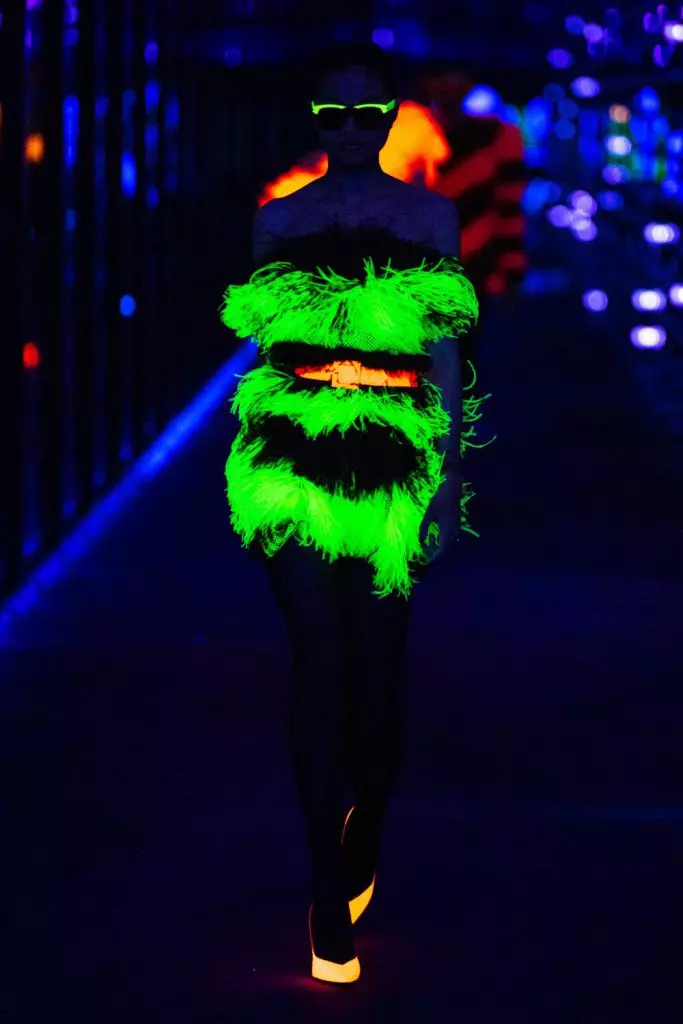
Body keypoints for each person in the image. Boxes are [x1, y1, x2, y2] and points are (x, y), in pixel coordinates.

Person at [220, 41, 484, 985]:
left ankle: (362, 823)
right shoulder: (278, 220)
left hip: (394, 455)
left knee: (376, 678)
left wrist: (447, 484)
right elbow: (261, 353)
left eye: (364, 114)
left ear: (389, 117)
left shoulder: (431, 215)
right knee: (319, 660)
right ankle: (326, 899)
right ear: (313, 120)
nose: (349, 130)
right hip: (288, 455)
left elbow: (447, 358)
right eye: (332, 115)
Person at [419, 66, 527, 377]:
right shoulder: (408, 132)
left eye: (456, 76)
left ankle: (455, 421)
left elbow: (509, 206)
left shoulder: (498, 135)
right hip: (418, 270)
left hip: (473, 271)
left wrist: (511, 271)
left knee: (462, 364)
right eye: (441, 76)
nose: (449, 85)